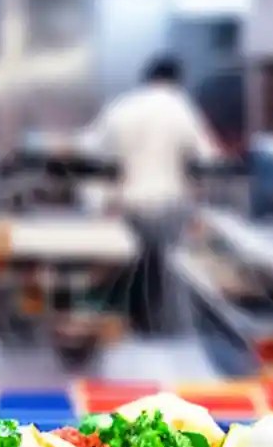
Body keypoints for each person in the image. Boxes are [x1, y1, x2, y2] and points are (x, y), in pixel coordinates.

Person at [87, 56, 220, 333]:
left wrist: (102, 200)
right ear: (177, 81)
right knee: (168, 280)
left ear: (146, 79)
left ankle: (128, 335)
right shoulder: (181, 108)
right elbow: (209, 159)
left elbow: (91, 153)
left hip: (125, 208)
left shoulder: (121, 106)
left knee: (125, 280)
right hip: (168, 207)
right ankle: (167, 341)